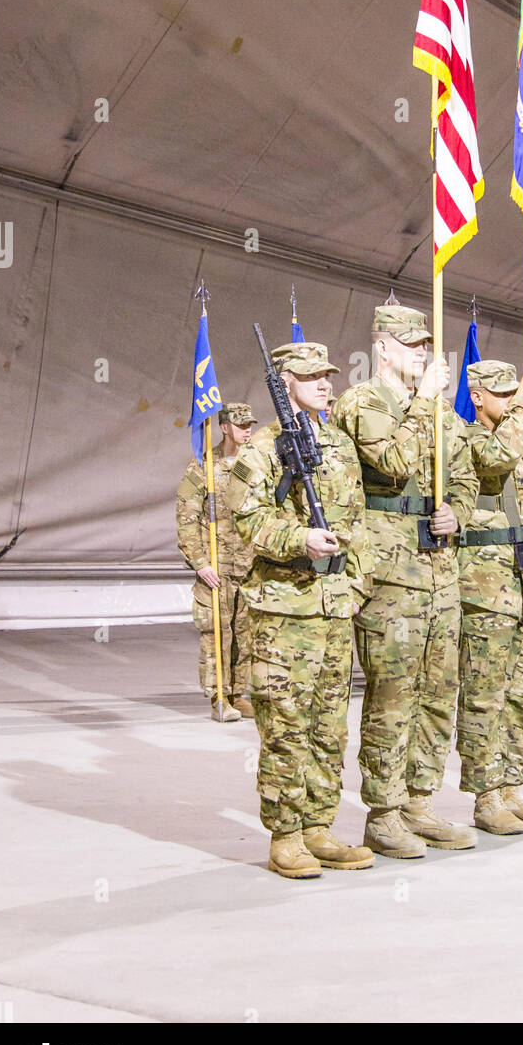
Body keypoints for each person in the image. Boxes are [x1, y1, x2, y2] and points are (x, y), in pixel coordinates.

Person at [331, 304, 479, 858]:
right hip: (390, 571)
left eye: (426, 344)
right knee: (393, 692)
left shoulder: (437, 410)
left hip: (439, 568)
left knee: (439, 691)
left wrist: (457, 513)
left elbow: (462, 473)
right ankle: (384, 812)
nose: (423, 352)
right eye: (412, 343)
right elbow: (391, 462)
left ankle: (420, 801)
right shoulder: (363, 401)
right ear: (384, 347)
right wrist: (424, 404)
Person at [231, 342, 374, 880]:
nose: (324, 384)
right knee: (285, 726)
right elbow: (249, 522)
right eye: (311, 376)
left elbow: (358, 521)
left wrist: (355, 586)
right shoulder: (262, 450)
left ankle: (318, 824)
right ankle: (285, 835)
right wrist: (299, 538)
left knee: (328, 727)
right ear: (285, 380)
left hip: (334, 608)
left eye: (328, 376)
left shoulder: (337, 444)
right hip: (284, 612)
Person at [457, 360, 523, 835]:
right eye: (500, 394)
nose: (511, 402)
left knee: (521, 695)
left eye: (513, 394)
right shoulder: (464, 440)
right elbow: (493, 460)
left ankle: (510, 784)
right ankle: (484, 796)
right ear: (477, 396)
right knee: (484, 695)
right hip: (484, 590)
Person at [176, 402, 256, 721]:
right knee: (217, 633)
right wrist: (199, 562)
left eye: (250, 424)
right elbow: (186, 517)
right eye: (241, 425)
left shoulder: (257, 465)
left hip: (249, 564)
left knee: (245, 632)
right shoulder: (203, 467)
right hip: (217, 565)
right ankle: (219, 697)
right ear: (224, 428)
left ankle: (239, 692)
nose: (247, 430)